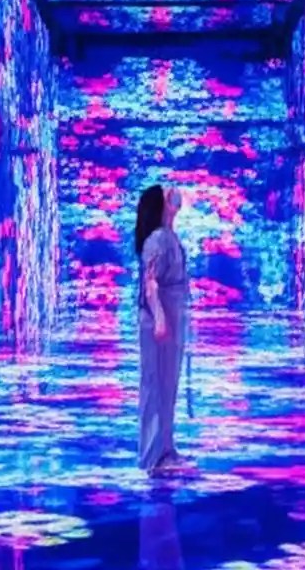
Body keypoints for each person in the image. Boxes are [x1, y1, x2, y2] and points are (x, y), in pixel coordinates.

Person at [134, 184, 190, 476]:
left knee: (169, 386)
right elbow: (150, 283)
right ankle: (152, 454)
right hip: (160, 318)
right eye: (169, 192)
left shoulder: (171, 237)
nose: (175, 192)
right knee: (155, 384)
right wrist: (158, 317)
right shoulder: (156, 239)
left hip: (173, 316)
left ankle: (167, 448)